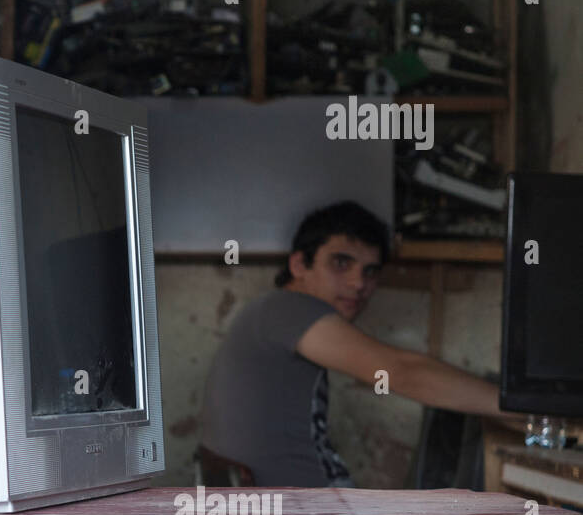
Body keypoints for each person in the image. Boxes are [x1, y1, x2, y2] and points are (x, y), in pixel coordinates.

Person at [199, 201, 514, 488]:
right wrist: (522, 410)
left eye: (370, 271)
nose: (358, 283)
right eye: (340, 263)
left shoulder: (268, 313)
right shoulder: (288, 309)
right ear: (299, 265)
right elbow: (400, 371)